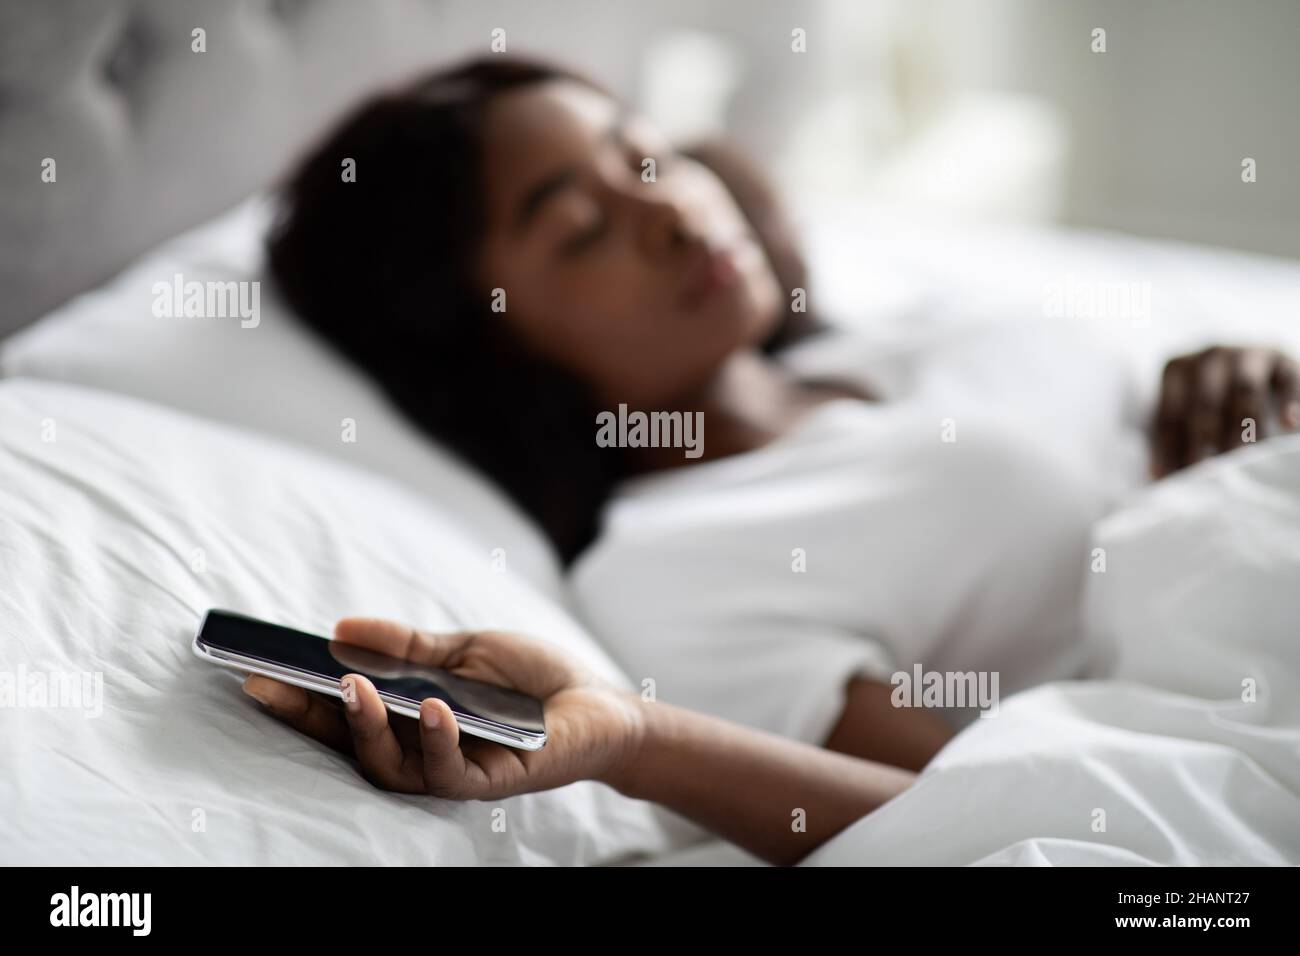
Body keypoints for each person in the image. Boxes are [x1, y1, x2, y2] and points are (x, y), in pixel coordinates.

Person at [263, 56, 1300, 789]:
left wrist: (1243, 379)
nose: (666, 210)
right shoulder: (676, 567)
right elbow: (963, 811)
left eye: (646, 154)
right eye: (581, 230)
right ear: (487, 353)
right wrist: (632, 737)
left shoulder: (899, 330)